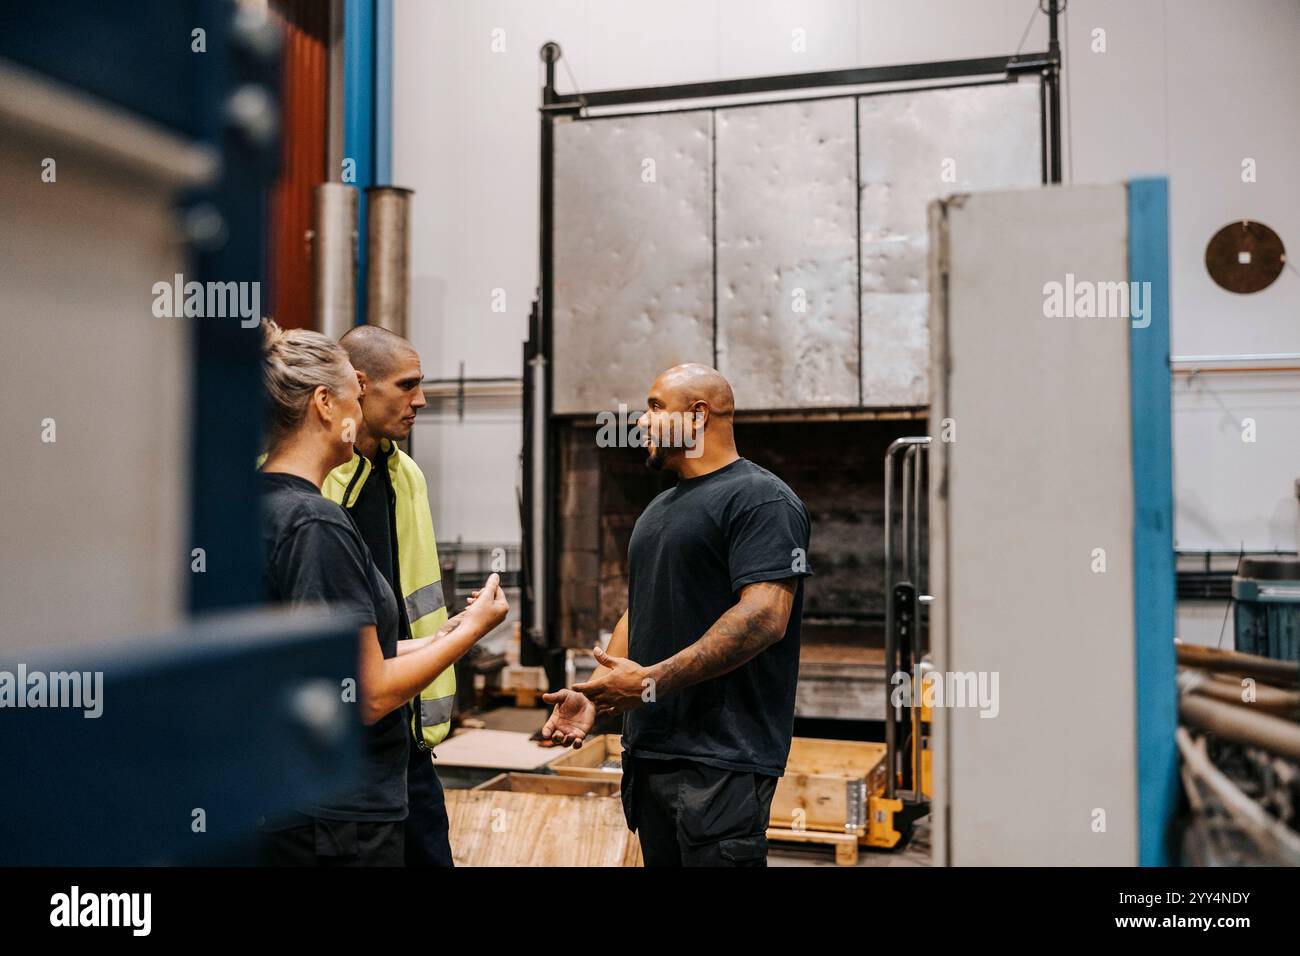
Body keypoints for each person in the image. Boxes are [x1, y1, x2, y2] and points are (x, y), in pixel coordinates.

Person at [256, 320, 507, 865]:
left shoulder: (262, 504)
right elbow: (365, 691)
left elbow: (336, 656)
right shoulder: (314, 522)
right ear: (326, 403)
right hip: (341, 805)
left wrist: (444, 633)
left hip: (331, 785)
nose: (420, 401)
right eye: (354, 393)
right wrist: (472, 632)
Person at [542, 363, 812, 867]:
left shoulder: (761, 499)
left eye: (655, 407)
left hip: (721, 761)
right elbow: (639, 610)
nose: (640, 422)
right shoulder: (660, 507)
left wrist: (650, 683)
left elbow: (763, 616)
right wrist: (593, 695)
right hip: (651, 756)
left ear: (697, 414)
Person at [321, 323, 465, 867]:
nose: (421, 401)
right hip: (342, 746)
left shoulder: (406, 474)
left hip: (406, 735)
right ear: (359, 384)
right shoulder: (317, 482)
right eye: (407, 385)